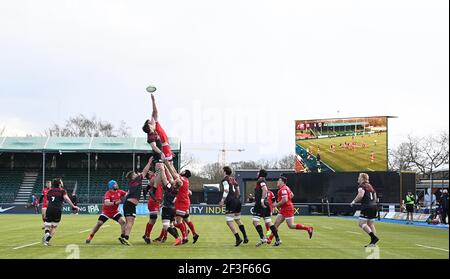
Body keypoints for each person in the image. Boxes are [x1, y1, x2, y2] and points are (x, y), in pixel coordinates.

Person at [267, 176, 313, 245]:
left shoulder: (283, 189)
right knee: (276, 224)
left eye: (279, 180)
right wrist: (286, 201)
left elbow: (285, 199)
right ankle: (270, 240)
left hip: (287, 209)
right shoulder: (286, 188)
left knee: (291, 225)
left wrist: (276, 205)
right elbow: (291, 195)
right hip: (284, 209)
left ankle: (308, 228)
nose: (277, 182)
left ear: (282, 182)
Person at [119, 157, 153, 245]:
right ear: (133, 176)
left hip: (127, 204)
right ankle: (126, 238)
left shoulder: (132, 182)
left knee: (128, 222)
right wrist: (149, 162)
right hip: (130, 204)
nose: (136, 174)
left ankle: (123, 236)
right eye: (134, 174)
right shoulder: (137, 179)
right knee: (130, 222)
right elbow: (145, 170)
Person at [42, 178, 80, 246]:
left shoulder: (49, 191)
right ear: (60, 184)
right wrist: (74, 206)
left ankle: (47, 233)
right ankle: (47, 241)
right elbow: (67, 199)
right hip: (57, 210)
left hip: (49, 209)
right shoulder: (62, 191)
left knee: (47, 225)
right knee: (54, 227)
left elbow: (48, 202)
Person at [219, 166, 248, 247]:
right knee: (238, 219)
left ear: (225, 172)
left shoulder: (225, 180)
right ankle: (245, 237)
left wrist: (222, 200)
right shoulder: (232, 179)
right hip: (237, 200)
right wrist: (238, 193)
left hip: (231, 201)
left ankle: (238, 238)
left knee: (229, 221)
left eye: (222, 171)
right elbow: (237, 186)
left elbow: (226, 190)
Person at [252, 169, 281, 247]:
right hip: (266, 204)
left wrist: (261, 200)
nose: (256, 173)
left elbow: (264, 189)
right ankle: (278, 239)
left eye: (258, 172)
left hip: (260, 204)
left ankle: (262, 238)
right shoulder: (263, 180)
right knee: (269, 222)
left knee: (255, 221)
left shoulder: (260, 179)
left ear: (260, 174)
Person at [350, 173, 379, 247]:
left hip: (367, 207)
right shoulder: (370, 186)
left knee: (361, 223)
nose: (358, 179)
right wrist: (373, 203)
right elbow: (375, 196)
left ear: (362, 178)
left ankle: (374, 238)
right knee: (371, 224)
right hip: (374, 206)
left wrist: (353, 201)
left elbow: (361, 195)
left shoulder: (361, 186)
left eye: (359, 177)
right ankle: (373, 243)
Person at [174, 169, 199, 244]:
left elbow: (173, 173)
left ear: (185, 173)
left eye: (183, 171)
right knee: (187, 219)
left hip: (182, 203)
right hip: (185, 202)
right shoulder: (186, 180)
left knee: (178, 221)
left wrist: (167, 163)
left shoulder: (182, 179)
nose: (182, 171)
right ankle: (194, 234)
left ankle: (185, 237)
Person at [143, 171, 163, 244]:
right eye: (150, 172)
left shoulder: (155, 179)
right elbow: (149, 191)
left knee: (153, 220)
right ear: (149, 175)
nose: (152, 171)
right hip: (154, 202)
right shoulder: (154, 178)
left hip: (156, 202)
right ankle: (147, 236)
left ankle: (146, 235)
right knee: (153, 219)